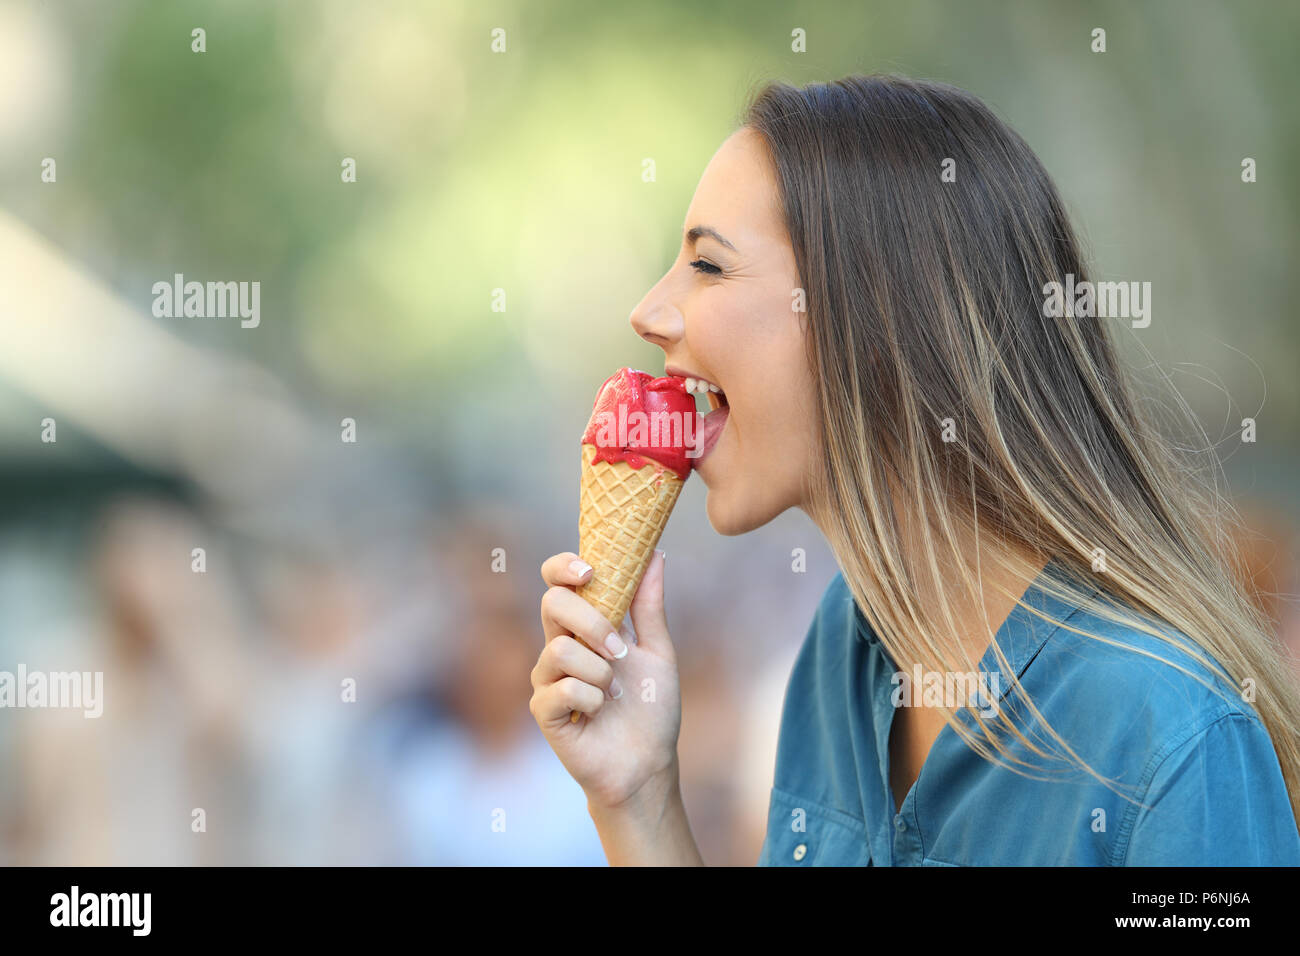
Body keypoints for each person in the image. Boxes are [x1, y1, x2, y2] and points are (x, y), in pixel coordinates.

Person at [529, 74, 1300, 865]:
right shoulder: (845, 649)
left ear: (878, 320)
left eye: (710, 266)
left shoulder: (1170, 740)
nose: (648, 311)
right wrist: (636, 797)